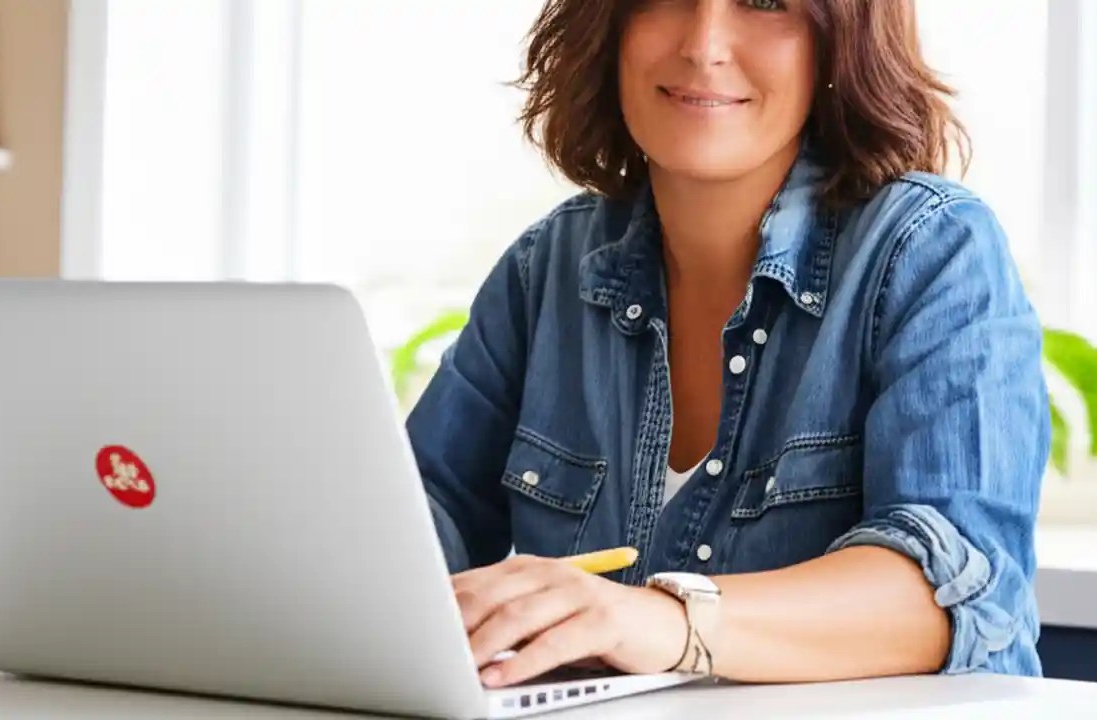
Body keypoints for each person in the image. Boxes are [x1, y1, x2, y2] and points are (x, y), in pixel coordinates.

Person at [405, 0, 1047, 689]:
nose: (704, 45)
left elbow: (948, 590)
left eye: (767, 3)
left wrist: (661, 619)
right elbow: (409, 529)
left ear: (840, 41)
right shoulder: (547, 269)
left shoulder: (932, 249)